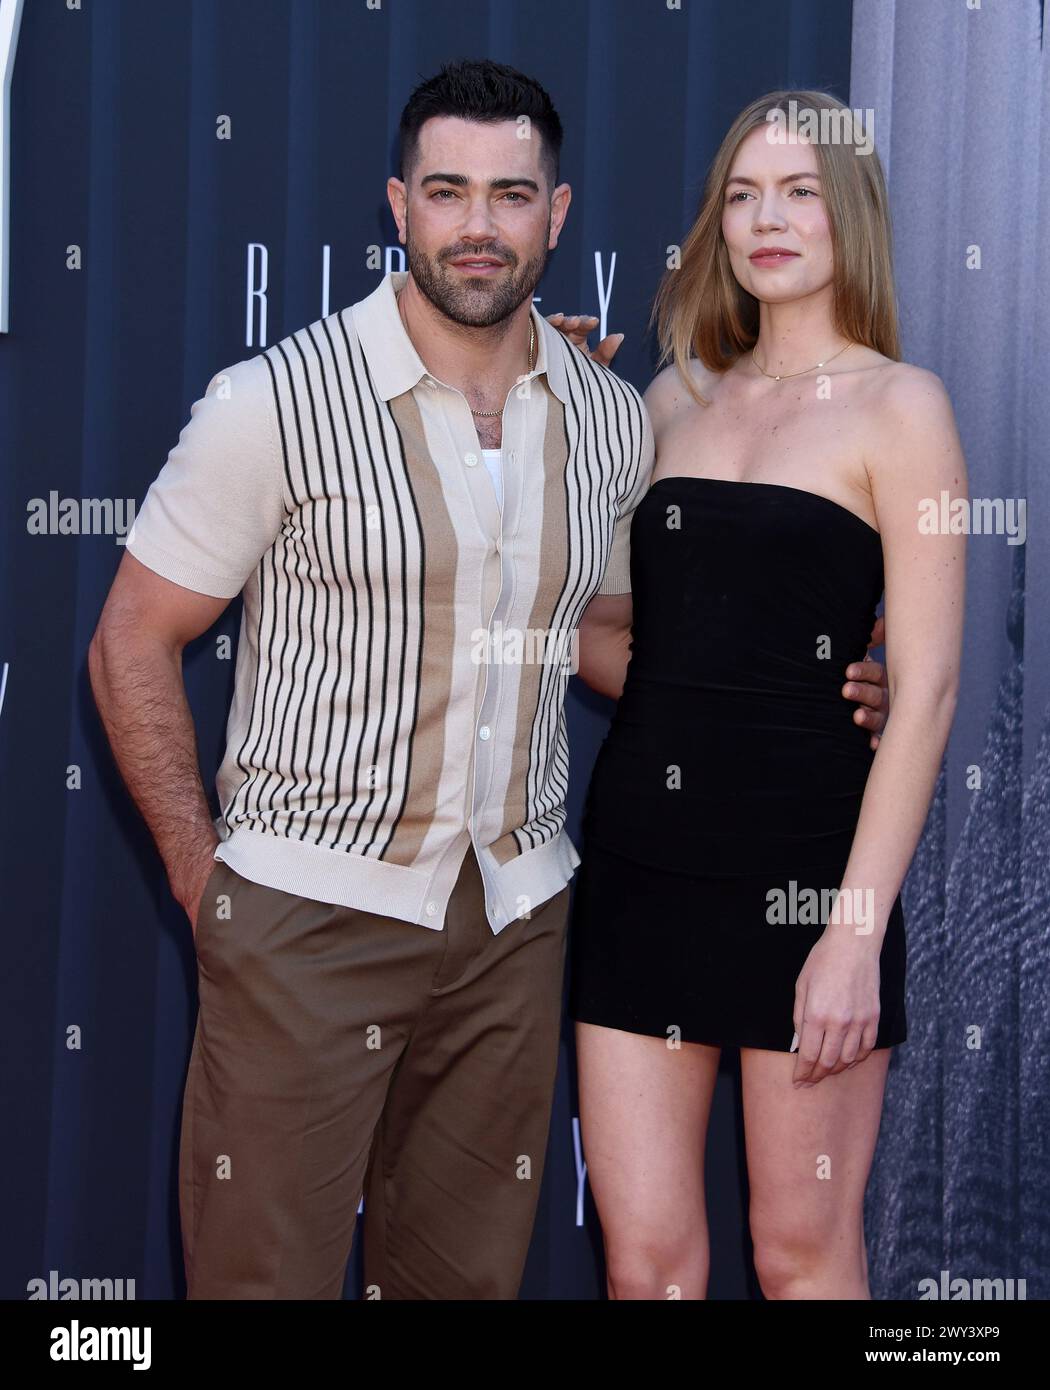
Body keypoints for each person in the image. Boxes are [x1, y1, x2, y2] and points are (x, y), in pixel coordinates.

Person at [87, 61, 887, 1300]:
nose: (478, 225)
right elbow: (130, 640)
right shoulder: (273, 402)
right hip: (307, 913)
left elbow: (620, 639)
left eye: (511, 195)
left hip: (517, 924)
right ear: (396, 205)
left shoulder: (613, 419)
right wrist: (210, 890)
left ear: (556, 217)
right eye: (448, 191)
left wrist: (808, 689)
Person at [561, 89, 966, 1300]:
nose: (767, 219)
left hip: (811, 880)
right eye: (742, 196)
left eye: (797, 191)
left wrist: (851, 934)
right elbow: (589, 631)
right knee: (649, 1268)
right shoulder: (668, 402)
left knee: (801, 1259)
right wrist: (559, 436)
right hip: (641, 869)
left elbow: (932, 686)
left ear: (848, 210)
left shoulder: (905, 408)